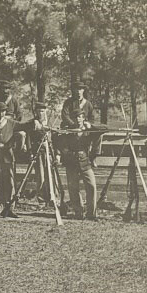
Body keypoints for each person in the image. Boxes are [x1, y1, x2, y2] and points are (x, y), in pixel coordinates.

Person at [56, 82, 104, 220]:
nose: (78, 91)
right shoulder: (68, 103)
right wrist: (73, 127)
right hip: (71, 158)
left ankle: (91, 213)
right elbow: (64, 117)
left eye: (81, 89)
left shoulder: (88, 104)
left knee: (91, 186)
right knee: (73, 188)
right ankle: (78, 212)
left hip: (84, 160)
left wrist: (88, 125)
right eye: (76, 89)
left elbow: (100, 128)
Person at [0, 101, 37, 217]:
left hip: (7, 156)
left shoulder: (11, 123)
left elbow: (24, 126)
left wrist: (34, 120)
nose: (1, 114)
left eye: (3, 111)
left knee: (10, 182)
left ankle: (10, 208)